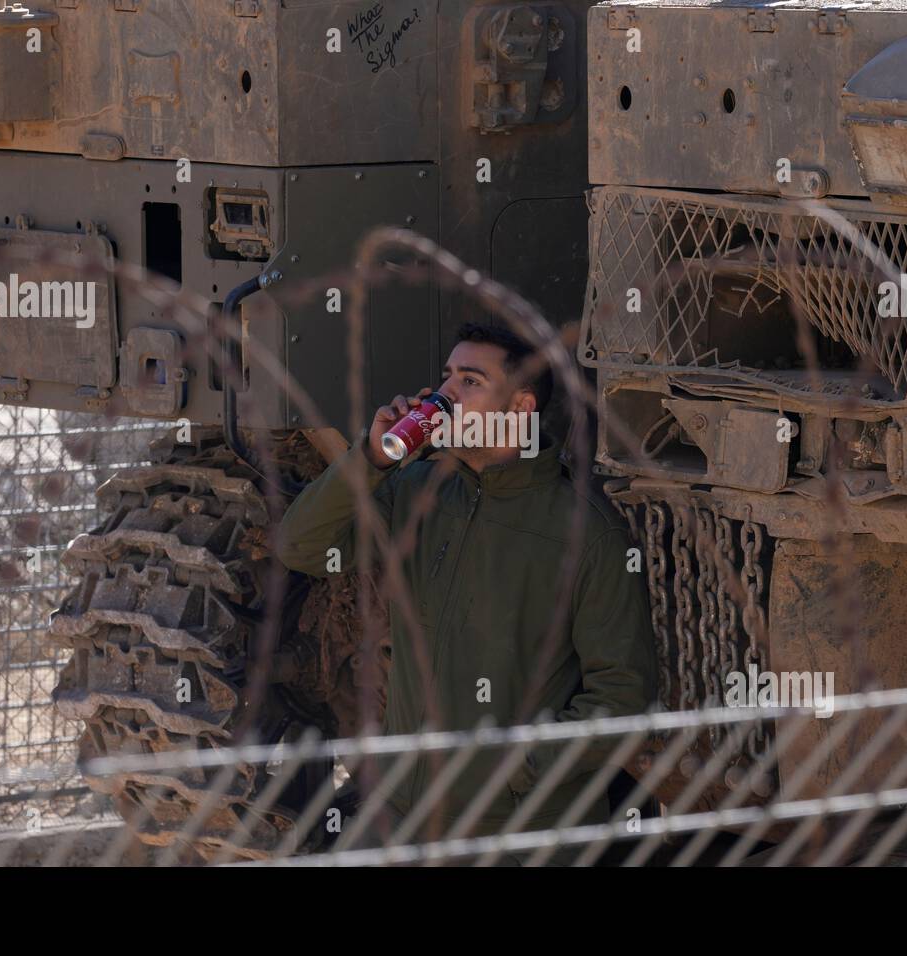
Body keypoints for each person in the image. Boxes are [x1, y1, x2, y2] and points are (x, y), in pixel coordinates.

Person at [275, 322, 657, 864]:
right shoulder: (415, 492)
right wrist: (372, 458)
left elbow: (622, 697)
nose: (446, 393)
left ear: (521, 407)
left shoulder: (589, 533)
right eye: (447, 376)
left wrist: (515, 772)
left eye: (471, 380)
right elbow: (300, 546)